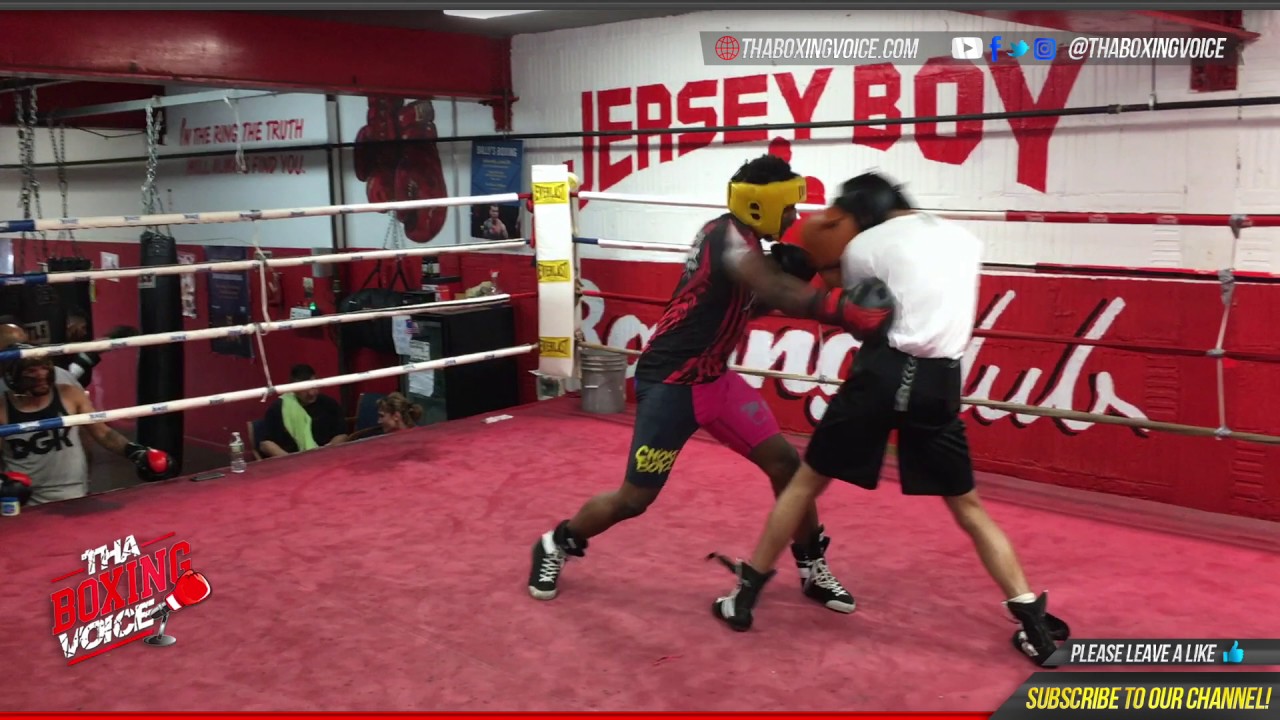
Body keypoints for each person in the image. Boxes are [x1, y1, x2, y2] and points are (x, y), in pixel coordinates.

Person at [706, 172, 1070, 666]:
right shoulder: (965, 239)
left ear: (858, 212)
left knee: (804, 486)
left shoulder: (866, 246)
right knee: (969, 508)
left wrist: (808, 268)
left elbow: (854, 312)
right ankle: (1032, 623)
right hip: (939, 383)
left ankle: (743, 600)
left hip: (883, 373)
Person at [527, 154, 894, 611]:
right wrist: (839, 307)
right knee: (634, 498)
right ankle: (556, 543)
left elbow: (756, 303)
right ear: (762, 206)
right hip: (671, 386)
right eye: (788, 207)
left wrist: (797, 268)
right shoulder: (727, 240)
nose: (795, 217)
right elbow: (777, 292)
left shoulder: (747, 246)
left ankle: (811, 566)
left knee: (786, 466)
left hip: (716, 382)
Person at [0, 345, 172, 504]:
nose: (41, 375)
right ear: (12, 376)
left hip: (70, 490)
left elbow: (102, 433)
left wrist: (135, 452)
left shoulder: (69, 394)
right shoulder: (2, 409)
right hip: (23, 497)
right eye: (31, 371)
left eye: (44, 368)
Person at [258, 364, 349, 457]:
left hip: (327, 457)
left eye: (314, 386)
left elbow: (342, 435)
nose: (312, 393)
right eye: (305, 389)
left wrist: (325, 452)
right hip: (292, 461)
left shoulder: (329, 404)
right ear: (293, 387)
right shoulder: (278, 409)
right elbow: (266, 444)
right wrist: (290, 460)